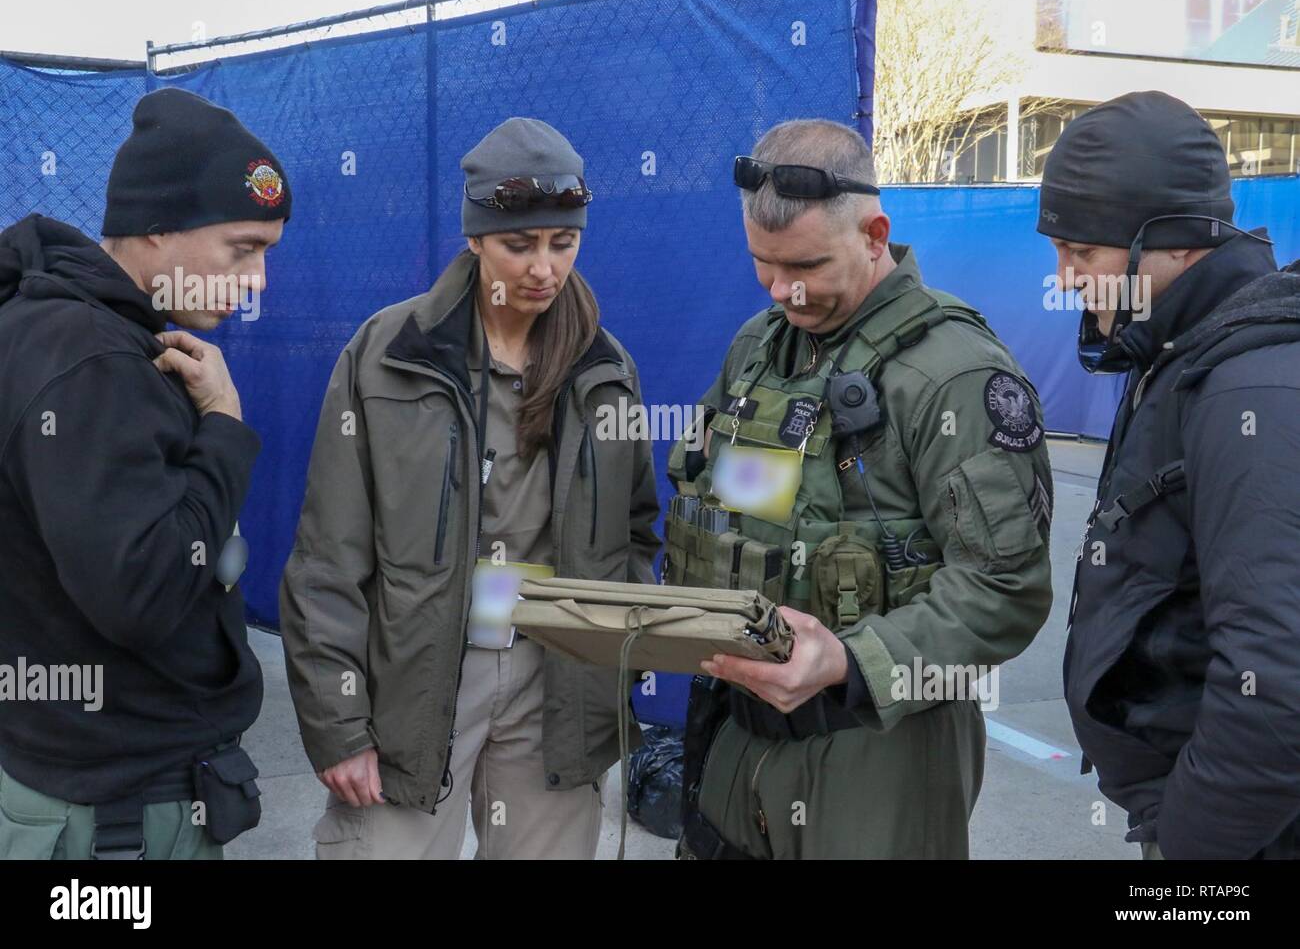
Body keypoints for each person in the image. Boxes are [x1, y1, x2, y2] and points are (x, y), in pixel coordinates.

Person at [666, 119, 1053, 859]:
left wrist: (847, 663)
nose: (785, 291)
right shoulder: (758, 347)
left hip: (878, 751)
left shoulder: (954, 375)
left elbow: (1005, 589)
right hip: (738, 736)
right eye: (762, 265)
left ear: (875, 234)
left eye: (805, 266)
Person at [281, 117, 660, 859]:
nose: (543, 268)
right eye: (519, 244)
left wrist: (605, 666)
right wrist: (338, 720)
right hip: (413, 679)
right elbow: (328, 558)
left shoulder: (606, 370)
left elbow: (635, 531)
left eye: (564, 242)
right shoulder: (388, 356)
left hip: (552, 679)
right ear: (477, 239)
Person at [0, 88, 289, 859]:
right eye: (242, 247)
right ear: (157, 227)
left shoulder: (65, 329)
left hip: (89, 778)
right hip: (115, 816)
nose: (258, 279)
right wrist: (224, 430)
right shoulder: (89, 358)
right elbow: (146, 590)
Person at [1038, 91, 1300, 859]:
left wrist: (1186, 852)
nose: (1065, 279)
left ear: (1177, 243)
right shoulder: (1185, 348)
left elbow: (1277, 685)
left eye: (1082, 253)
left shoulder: (1249, 384)